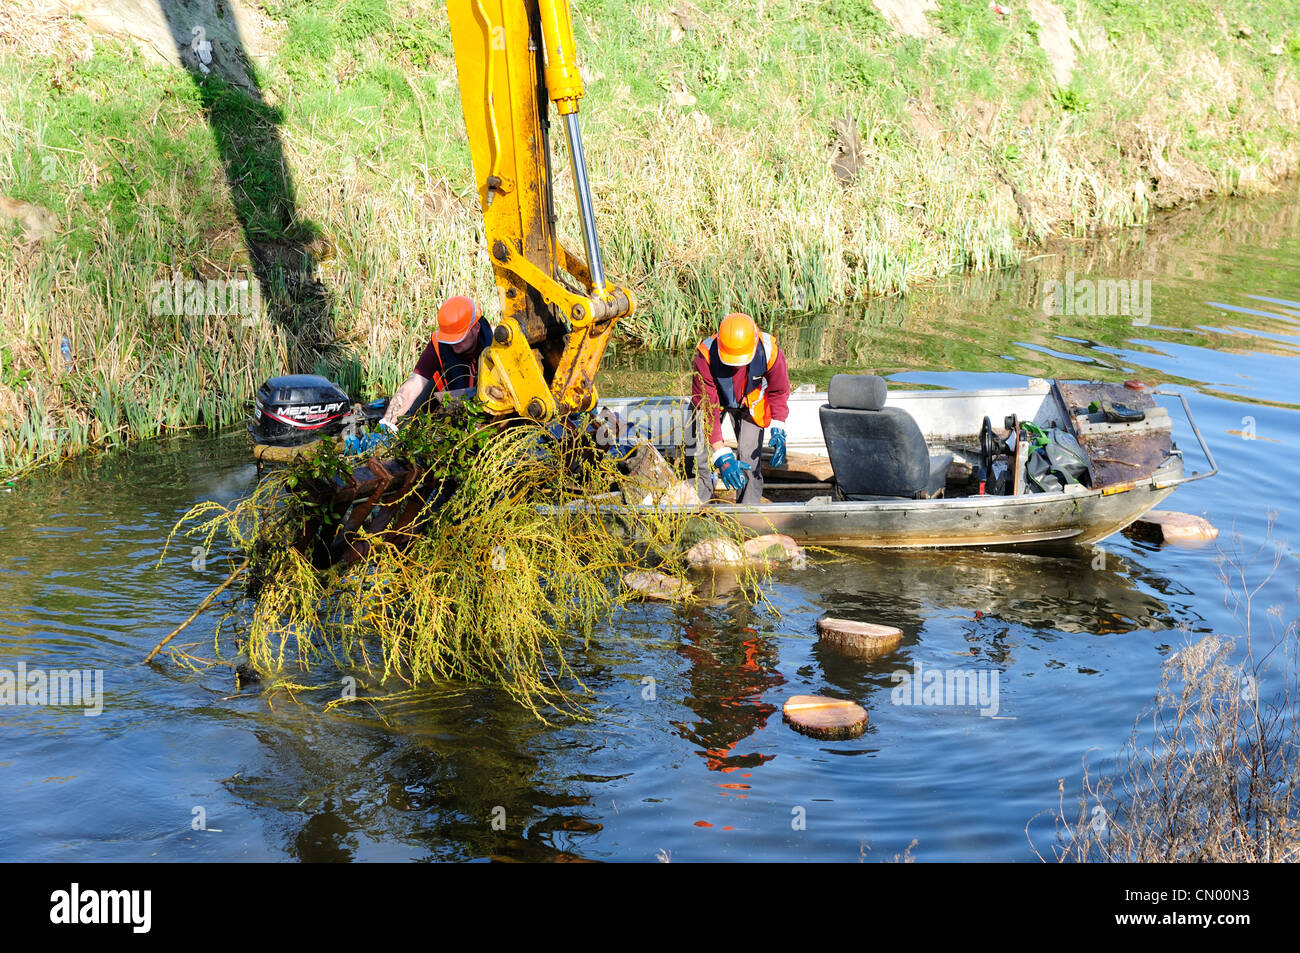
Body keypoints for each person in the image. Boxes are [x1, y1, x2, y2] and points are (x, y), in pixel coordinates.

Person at [349, 296, 491, 453]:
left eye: (458, 338)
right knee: (410, 415)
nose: (454, 344)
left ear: (476, 327)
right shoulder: (440, 345)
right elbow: (413, 384)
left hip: (483, 408)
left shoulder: (496, 349)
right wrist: (386, 423)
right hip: (448, 398)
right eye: (450, 340)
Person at [690, 312, 790, 504]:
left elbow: (779, 391)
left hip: (749, 404)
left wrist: (779, 426)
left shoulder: (769, 351)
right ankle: (699, 503)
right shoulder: (705, 357)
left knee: (749, 459)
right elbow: (707, 409)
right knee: (698, 454)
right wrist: (721, 454)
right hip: (714, 403)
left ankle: (747, 514)